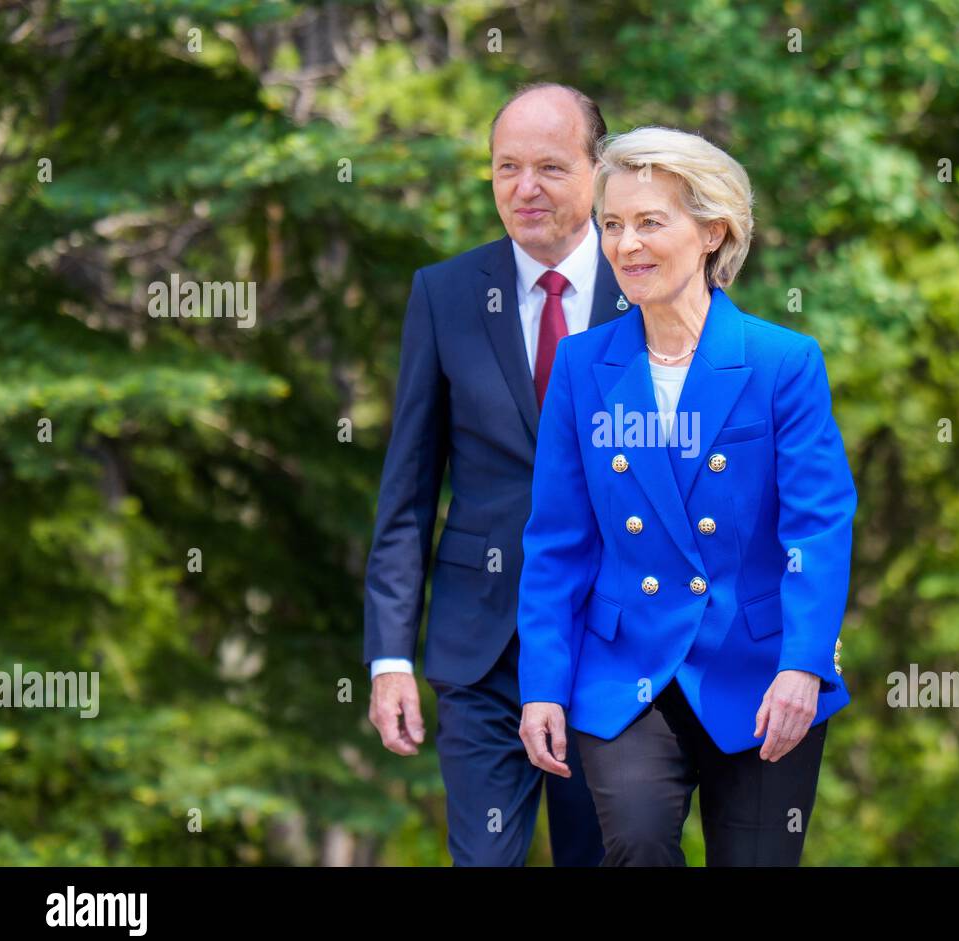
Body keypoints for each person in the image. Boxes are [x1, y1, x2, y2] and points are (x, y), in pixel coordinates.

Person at [517, 126, 856, 866]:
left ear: (712, 231)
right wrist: (542, 683)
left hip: (762, 672)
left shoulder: (782, 363)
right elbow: (557, 544)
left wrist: (803, 664)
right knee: (637, 846)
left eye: (649, 222)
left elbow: (818, 529)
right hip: (626, 667)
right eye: (611, 224)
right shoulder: (581, 368)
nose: (625, 244)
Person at [363, 84, 625, 866]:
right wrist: (389, 658)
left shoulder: (649, 284)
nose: (524, 188)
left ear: (599, 170)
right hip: (481, 646)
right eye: (506, 167)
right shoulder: (443, 294)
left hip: (610, 642)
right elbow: (406, 492)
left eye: (549, 166)